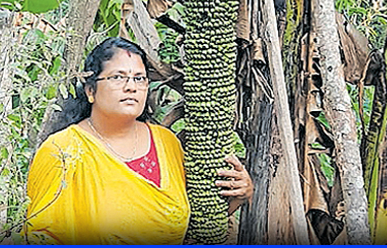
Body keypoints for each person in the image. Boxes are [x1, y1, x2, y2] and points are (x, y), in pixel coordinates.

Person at [24, 37, 254, 244]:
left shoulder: (167, 142)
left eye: (139, 78)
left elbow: (197, 225)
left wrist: (240, 194)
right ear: (90, 91)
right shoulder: (62, 151)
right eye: (118, 77)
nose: (131, 87)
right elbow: (41, 236)